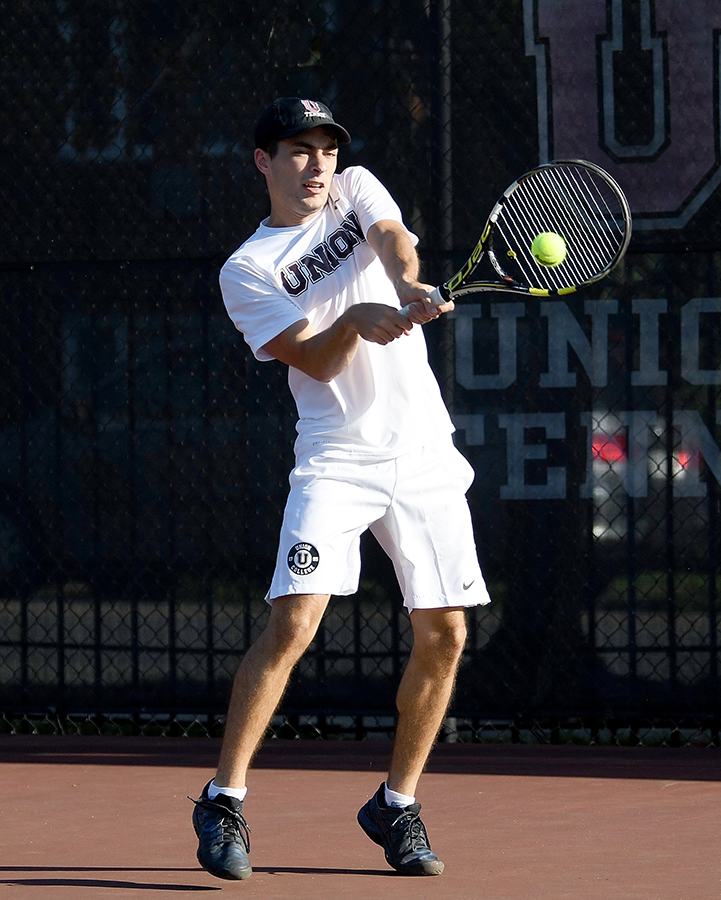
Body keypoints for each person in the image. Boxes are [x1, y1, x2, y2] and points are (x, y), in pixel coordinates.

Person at [192, 97, 490, 880]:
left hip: (423, 453)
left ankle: (396, 806)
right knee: (293, 625)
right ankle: (224, 799)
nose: (318, 163)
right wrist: (357, 318)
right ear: (264, 161)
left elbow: (393, 243)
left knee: (448, 634)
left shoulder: (358, 188)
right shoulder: (247, 269)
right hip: (336, 460)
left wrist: (411, 287)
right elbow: (315, 360)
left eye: (326, 148)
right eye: (299, 150)